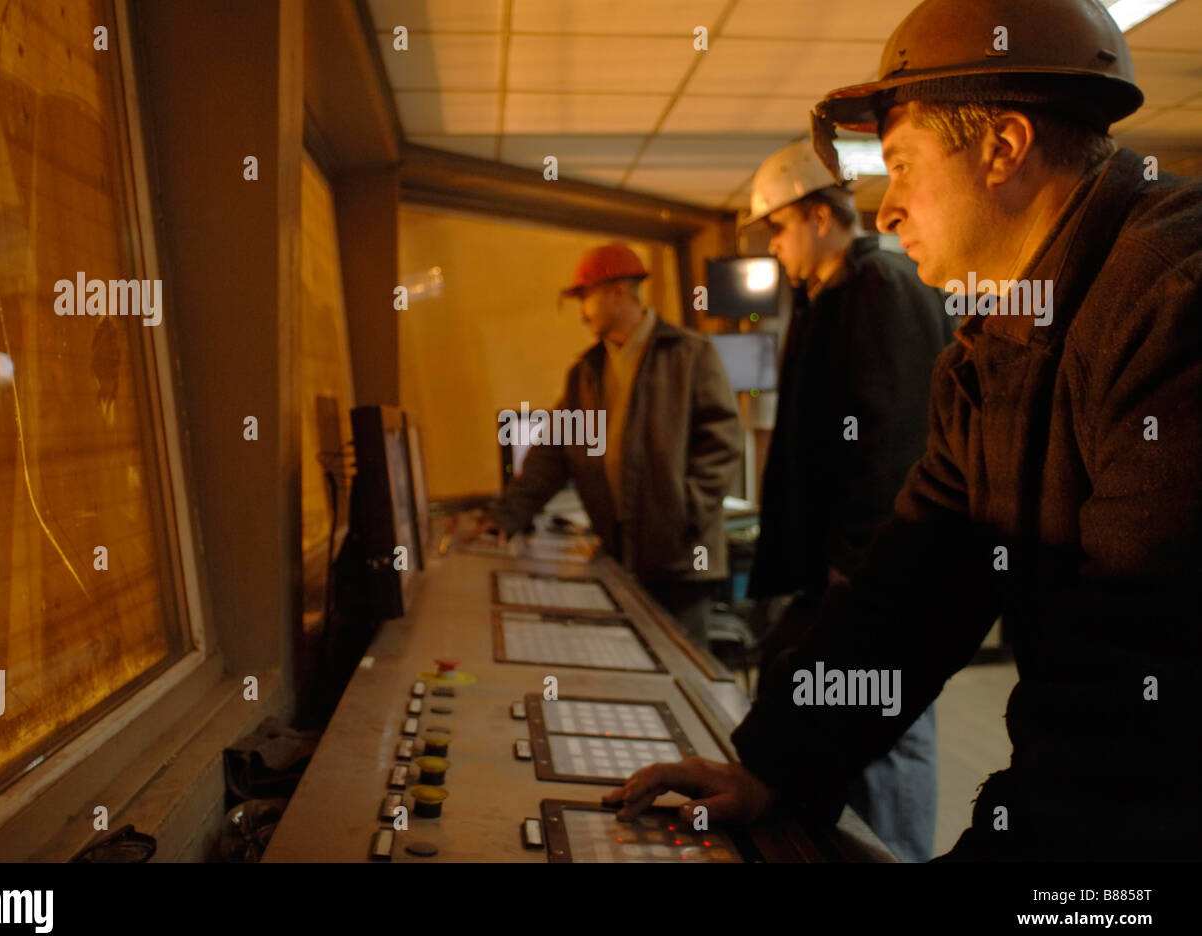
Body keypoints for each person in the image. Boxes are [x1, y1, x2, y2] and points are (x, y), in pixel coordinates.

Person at [607, 0, 1201, 861]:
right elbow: (911, 590)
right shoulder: (994, 347)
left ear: (1001, 147)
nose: (885, 213)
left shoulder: (1174, 301)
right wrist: (772, 765)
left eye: (901, 166)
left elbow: (1133, 707)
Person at [743, 140, 956, 862]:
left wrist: (854, 560)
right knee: (853, 713)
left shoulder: (881, 285)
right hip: (847, 562)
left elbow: (891, 434)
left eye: (778, 230)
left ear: (816, 216)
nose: (775, 249)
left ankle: (897, 855)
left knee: (886, 724)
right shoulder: (833, 293)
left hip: (875, 563)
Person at [475, 243, 743, 650]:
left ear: (619, 291)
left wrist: (683, 512)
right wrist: (506, 516)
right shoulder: (586, 372)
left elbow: (722, 443)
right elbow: (553, 453)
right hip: (622, 554)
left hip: (681, 562)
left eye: (586, 296)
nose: (581, 310)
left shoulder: (689, 354)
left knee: (687, 673)